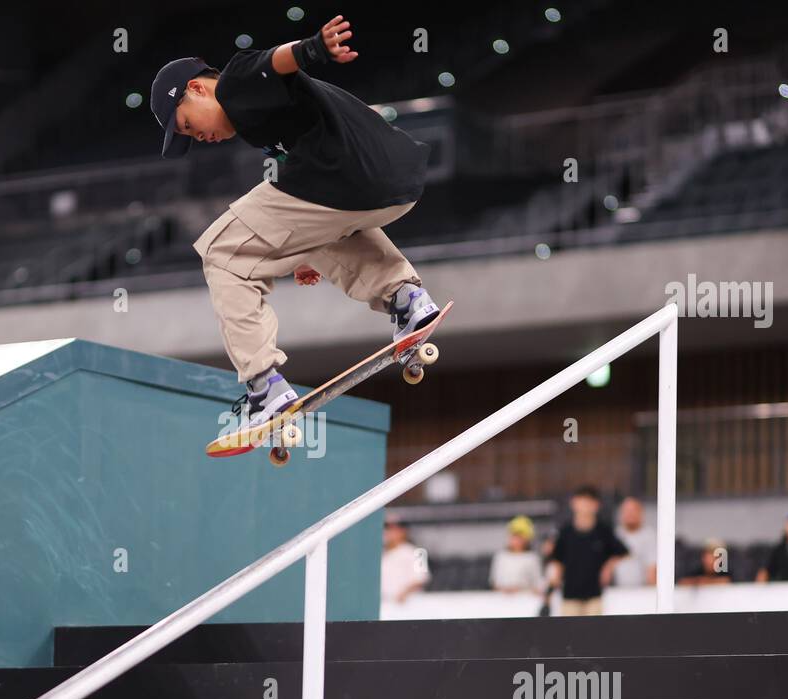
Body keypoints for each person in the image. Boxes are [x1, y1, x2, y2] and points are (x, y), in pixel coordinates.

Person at [151, 16, 439, 427]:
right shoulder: (258, 123)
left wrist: (314, 47)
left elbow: (273, 63)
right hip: (387, 182)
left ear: (196, 89)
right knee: (297, 216)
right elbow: (301, 208)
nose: (199, 138)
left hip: (343, 172)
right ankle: (406, 300)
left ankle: (263, 385)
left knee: (221, 253)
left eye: (188, 125)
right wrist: (303, 248)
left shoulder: (233, 85)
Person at [547, 487, 628, 616]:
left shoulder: (603, 531)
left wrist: (608, 567)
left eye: (589, 502)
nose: (585, 506)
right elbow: (557, 559)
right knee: (570, 633)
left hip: (595, 596)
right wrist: (553, 582)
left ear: (597, 505)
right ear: (574, 503)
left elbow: (622, 552)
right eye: (582, 501)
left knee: (594, 633)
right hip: (570, 596)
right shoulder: (565, 532)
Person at [380, 515, 429, 604]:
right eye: (387, 528)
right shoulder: (380, 553)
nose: (389, 533)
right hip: (385, 604)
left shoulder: (419, 552)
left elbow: (422, 579)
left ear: (403, 531)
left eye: (394, 529)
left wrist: (404, 593)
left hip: (409, 605)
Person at [490, 516, 545, 594]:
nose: (516, 540)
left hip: (525, 601)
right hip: (502, 602)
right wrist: (505, 590)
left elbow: (538, 585)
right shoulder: (501, 557)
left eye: (520, 537)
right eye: (514, 535)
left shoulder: (532, 558)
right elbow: (494, 582)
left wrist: (520, 590)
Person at [612, 496, 656, 587]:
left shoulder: (650, 536)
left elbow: (652, 569)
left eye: (633, 510)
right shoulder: (615, 535)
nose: (630, 514)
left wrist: (652, 592)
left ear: (641, 513)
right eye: (626, 511)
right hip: (616, 592)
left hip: (642, 592)